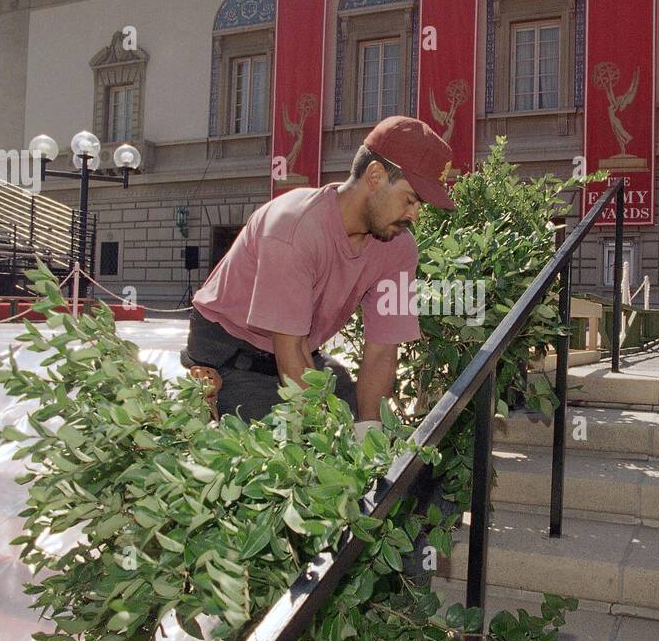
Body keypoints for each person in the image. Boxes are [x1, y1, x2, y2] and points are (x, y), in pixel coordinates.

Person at [181, 115, 455, 427]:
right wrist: (326, 436)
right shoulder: (293, 226)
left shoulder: (399, 247)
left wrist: (369, 431)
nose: (414, 215)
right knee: (297, 454)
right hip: (230, 350)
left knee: (373, 437)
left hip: (300, 351)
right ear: (376, 176)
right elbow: (290, 349)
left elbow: (382, 350)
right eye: (410, 200)